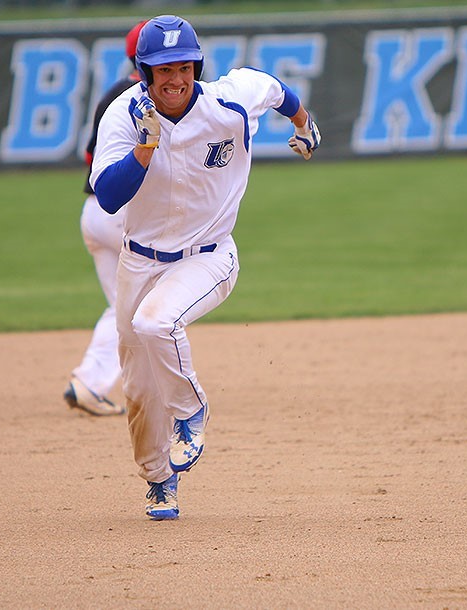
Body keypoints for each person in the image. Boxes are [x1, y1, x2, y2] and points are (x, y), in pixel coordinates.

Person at [90, 14, 321, 520]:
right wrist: (142, 152)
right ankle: (159, 481)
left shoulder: (229, 100)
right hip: (139, 259)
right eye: (160, 69)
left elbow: (278, 91)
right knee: (138, 387)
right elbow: (107, 196)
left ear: (196, 65)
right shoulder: (124, 115)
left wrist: (304, 125)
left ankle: (191, 412)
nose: (173, 79)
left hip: (210, 257)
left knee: (157, 322)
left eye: (182, 66)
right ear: (143, 72)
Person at [63, 20, 148, 418]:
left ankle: (89, 383)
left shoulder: (112, 94)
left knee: (124, 307)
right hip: (124, 216)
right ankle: (156, 387)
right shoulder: (155, 97)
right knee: (156, 305)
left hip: (93, 214)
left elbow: (90, 157)